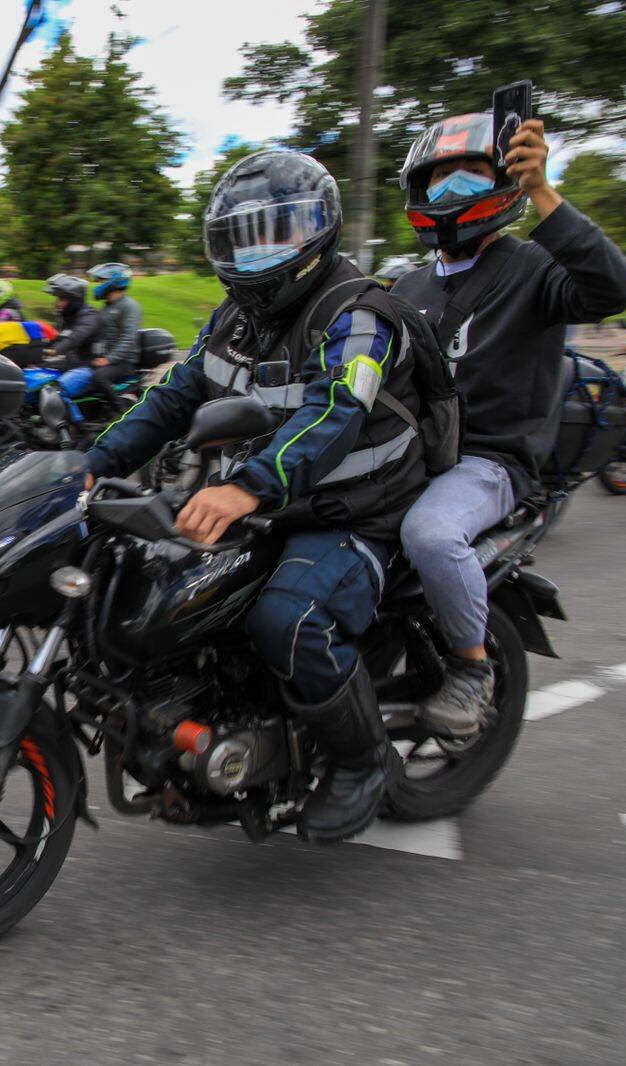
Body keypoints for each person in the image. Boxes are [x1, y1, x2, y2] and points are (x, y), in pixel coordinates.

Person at [87, 150, 430, 844]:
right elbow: (172, 399)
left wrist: (247, 486)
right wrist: (91, 464)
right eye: (243, 237)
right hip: (272, 504)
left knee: (287, 618)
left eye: (275, 232)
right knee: (157, 589)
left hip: (356, 511)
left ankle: (362, 761)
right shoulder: (234, 318)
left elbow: (333, 411)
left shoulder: (360, 315)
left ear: (315, 231)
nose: (256, 254)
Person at [392, 114, 626, 734]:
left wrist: (543, 193)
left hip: (489, 461)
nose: (452, 187)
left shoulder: (534, 270)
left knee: (430, 534)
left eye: (470, 173)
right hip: (409, 455)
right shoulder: (406, 284)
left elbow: (612, 288)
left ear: (504, 182)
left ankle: (471, 669)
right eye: (440, 176)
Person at [76, 262, 143, 402]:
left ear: (114, 281)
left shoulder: (129, 306)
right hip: (106, 358)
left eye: (102, 281)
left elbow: (129, 338)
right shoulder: (106, 307)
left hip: (124, 362)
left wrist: (108, 359)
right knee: (76, 371)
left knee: (98, 377)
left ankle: (117, 412)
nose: (98, 285)